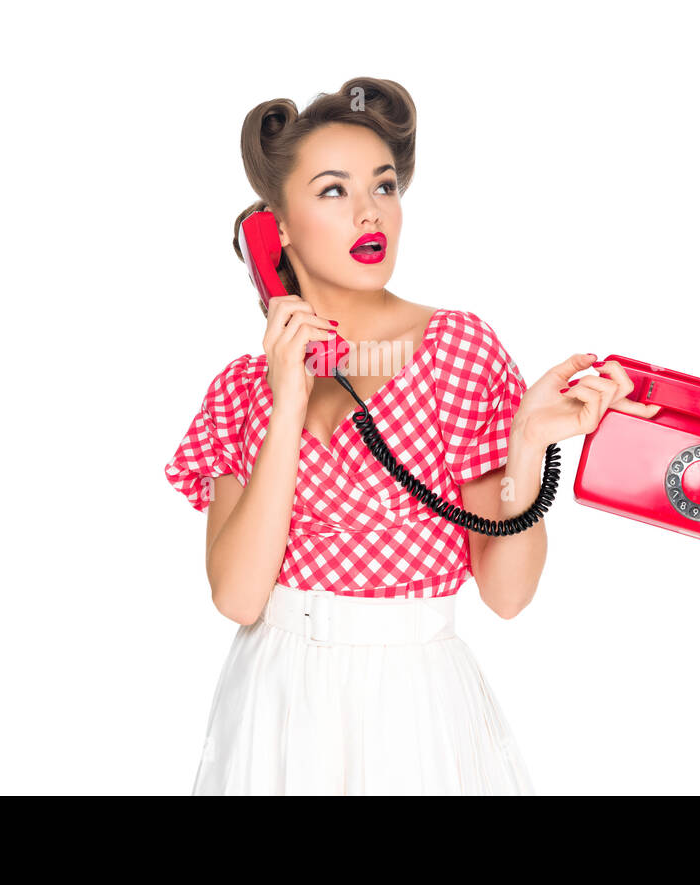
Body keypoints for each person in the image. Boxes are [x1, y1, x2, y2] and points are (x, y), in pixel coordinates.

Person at [163, 77, 660, 795]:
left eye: (385, 186)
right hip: (275, 699)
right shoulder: (243, 389)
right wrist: (288, 397)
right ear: (276, 229)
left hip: (413, 701)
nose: (371, 212)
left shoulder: (460, 350)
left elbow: (508, 594)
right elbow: (239, 596)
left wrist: (526, 443)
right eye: (334, 191)